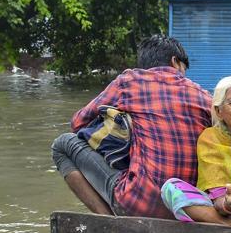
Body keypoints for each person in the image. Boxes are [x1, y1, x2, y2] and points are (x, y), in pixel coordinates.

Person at [51, 35, 212, 218]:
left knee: (62, 144)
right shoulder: (203, 95)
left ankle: (111, 222)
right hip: (189, 206)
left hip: (139, 202)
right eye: (184, 68)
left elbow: (78, 122)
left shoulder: (129, 81)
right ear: (175, 62)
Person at [160, 76, 231, 228]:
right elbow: (218, 194)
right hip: (222, 213)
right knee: (170, 188)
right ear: (218, 111)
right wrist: (229, 205)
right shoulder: (210, 138)